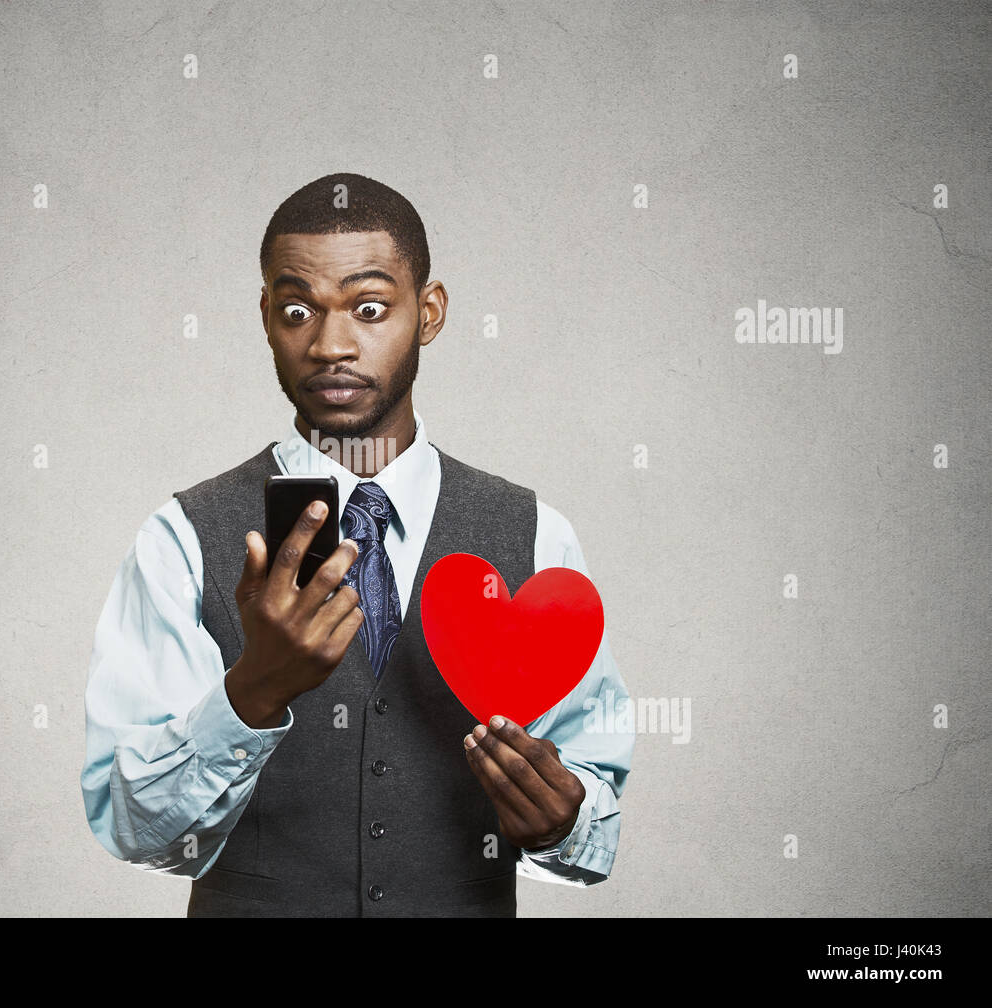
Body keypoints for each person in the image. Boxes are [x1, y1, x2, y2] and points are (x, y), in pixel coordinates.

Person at [81, 172, 634, 917]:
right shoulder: (182, 537)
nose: (330, 343)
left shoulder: (535, 536)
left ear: (429, 313)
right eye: (297, 309)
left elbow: (593, 823)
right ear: (267, 319)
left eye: (369, 308)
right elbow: (133, 830)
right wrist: (252, 693)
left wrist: (563, 821)